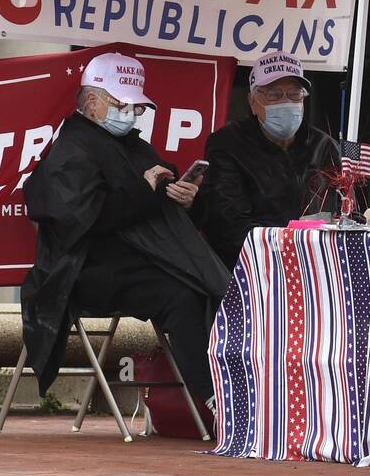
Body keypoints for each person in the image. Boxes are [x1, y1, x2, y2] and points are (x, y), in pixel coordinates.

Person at [20, 53, 229, 413]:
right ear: (91, 102)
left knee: (206, 283)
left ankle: (232, 389)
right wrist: (143, 191)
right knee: (182, 293)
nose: (130, 114)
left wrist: (184, 195)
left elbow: (155, 193)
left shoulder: (133, 145)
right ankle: (214, 399)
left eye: (136, 108)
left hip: (138, 259)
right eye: (122, 105)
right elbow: (87, 221)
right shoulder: (70, 151)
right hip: (82, 269)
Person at [200, 52, 339, 270]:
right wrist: (286, 249)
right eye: (274, 94)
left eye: (295, 94)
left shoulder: (324, 146)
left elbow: (337, 213)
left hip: (316, 263)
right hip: (249, 266)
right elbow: (228, 226)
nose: (286, 102)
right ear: (252, 101)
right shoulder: (227, 144)